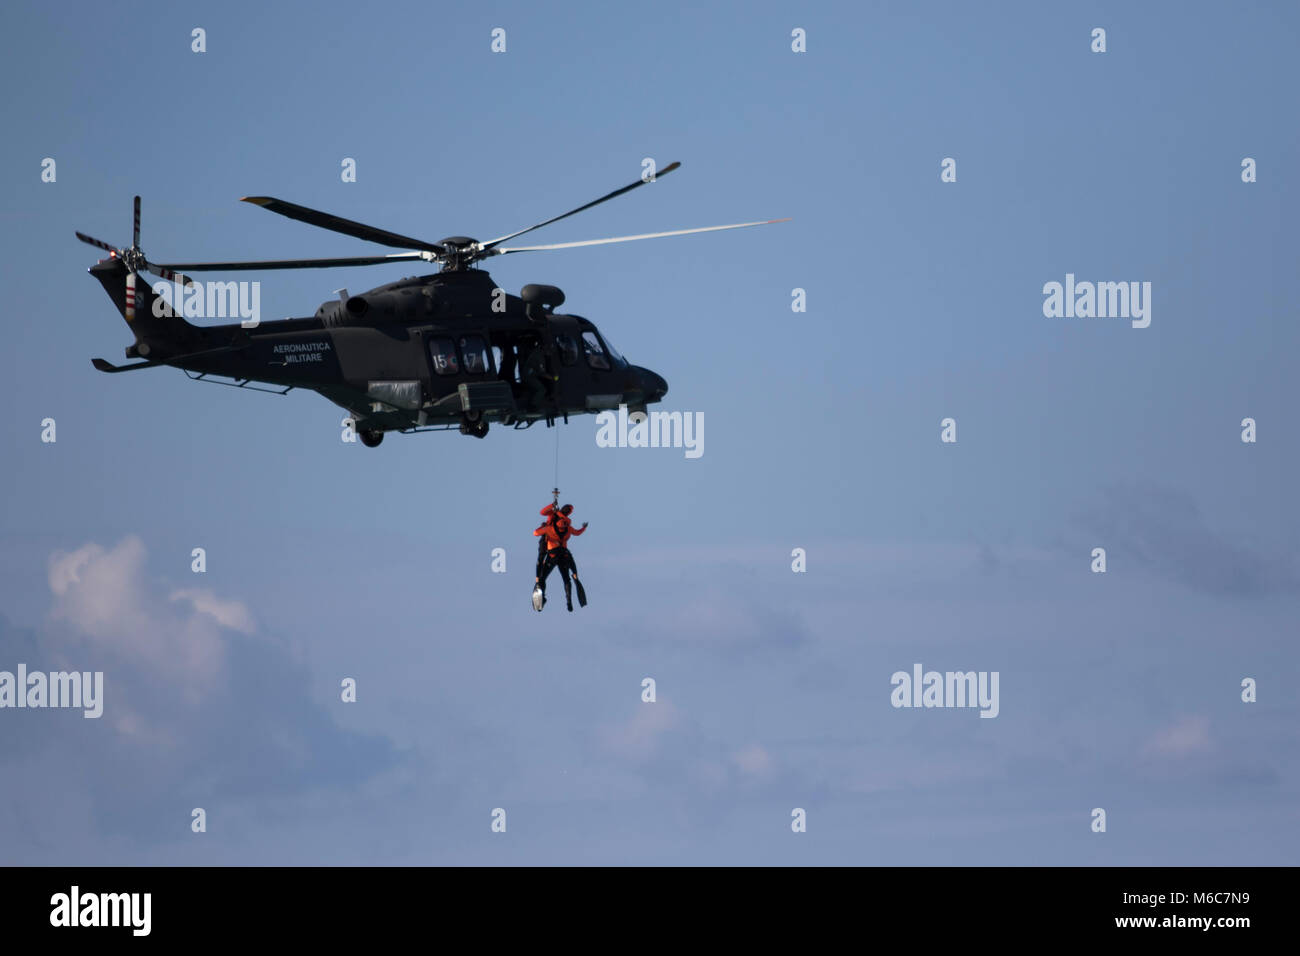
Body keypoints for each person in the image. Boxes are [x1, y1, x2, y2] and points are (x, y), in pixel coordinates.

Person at [533, 503, 588, 611]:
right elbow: (577, 532)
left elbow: (535, 532)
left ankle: (541, 596)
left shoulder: (550, 528)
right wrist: (583, 528)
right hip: (564, 555)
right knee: (566, 579)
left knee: (542, 577)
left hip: (552, 555)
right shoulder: (568, 528)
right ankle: (569, 602)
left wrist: (544, 525)